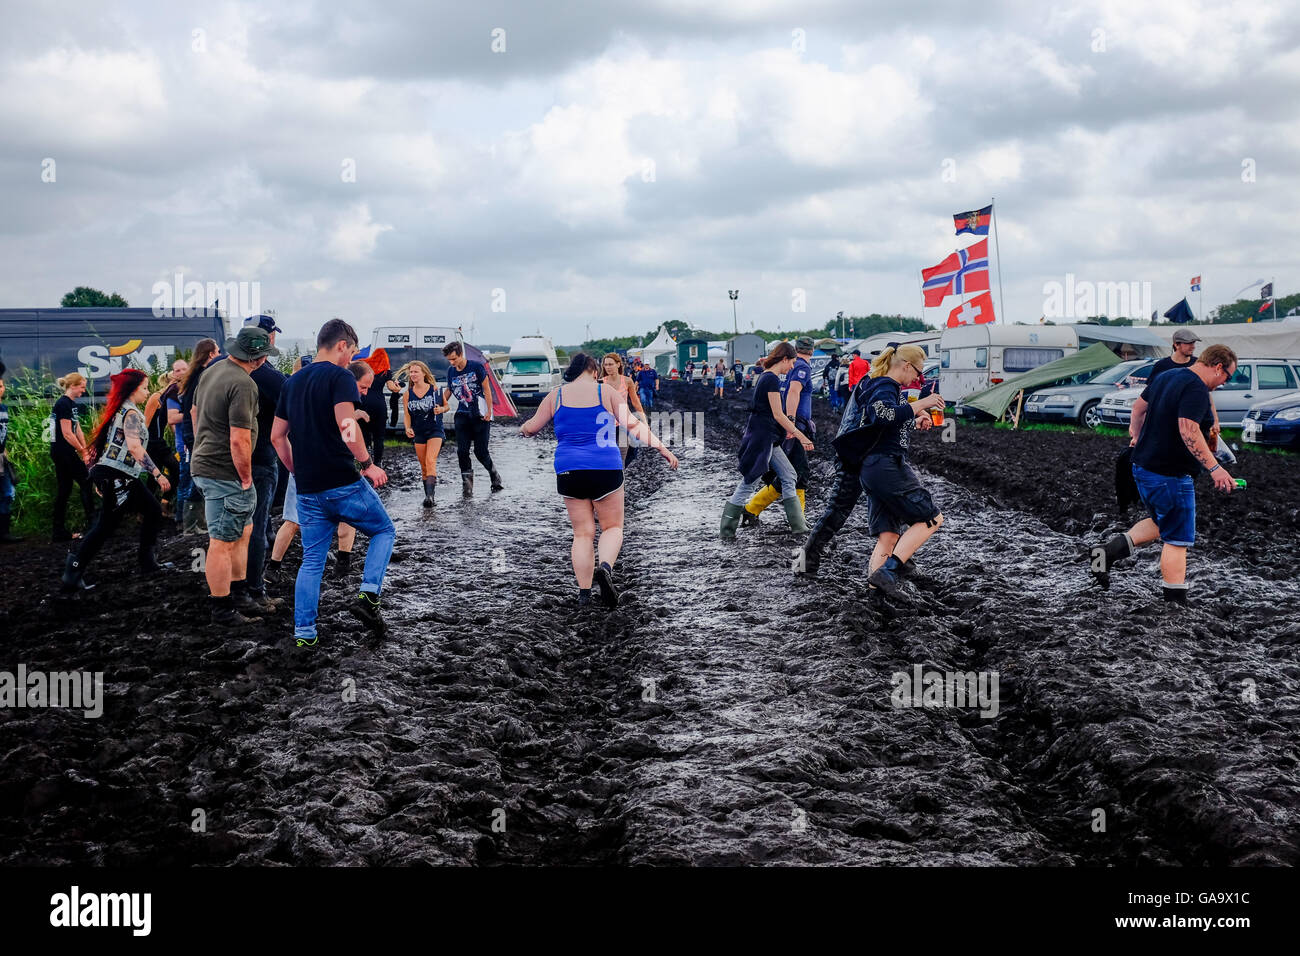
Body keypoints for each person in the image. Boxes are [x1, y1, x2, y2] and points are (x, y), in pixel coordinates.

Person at [272, 318, 394, 646]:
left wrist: (296, 469)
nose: (350, 359)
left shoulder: (292, 383)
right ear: (342, 345)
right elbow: (346, 424)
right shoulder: (340, 376)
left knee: (312, 561)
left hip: (308, 487)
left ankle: (305, 635)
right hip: (342, 480)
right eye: (351, 351)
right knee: (384, 531)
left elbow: (277, 436)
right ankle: (368, 596)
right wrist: (367, 463)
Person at [521, 352, 678, 606]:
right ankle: (604, 567)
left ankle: (583, 595)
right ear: (595, 371)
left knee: (582, 533)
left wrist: (523, 429)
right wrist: (662, 448)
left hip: (569, 469)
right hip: (605, 467)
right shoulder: (606, 393)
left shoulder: (556, 395)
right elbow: (634, 426)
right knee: (612, 527)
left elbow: (532, 427)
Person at [1091, 345, 1238, 603]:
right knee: (1177, 539)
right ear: (1218, 367)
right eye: (1228, 376)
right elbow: (1189, 430)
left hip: (1143, 467)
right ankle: (1175, 605)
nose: (1225, 382)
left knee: (1162, 522)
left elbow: (1137, 409)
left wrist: (1136, 437)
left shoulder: (1167, 376)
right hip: (1170, 474)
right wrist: (1215, 469)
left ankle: (1104, 553)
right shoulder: (1196, 388)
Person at [796, 344, 946, 592]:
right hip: (856, 454)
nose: (917, 379)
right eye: (918, 373)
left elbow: (890, 423)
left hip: (865, 454)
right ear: (901, 363)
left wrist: (914, 418)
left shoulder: (882, 383)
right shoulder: (876, 383)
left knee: (881, 518)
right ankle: (805, 562)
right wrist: (919, 407)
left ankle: (897, 564)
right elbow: (880, 419)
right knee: (838, 510)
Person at [191, 326, 280, 623]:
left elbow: (194, 413)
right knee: (221, 541)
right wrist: (244, 477)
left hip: (207, 464)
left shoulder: (212, 372)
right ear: (258, 357)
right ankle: (222, 608)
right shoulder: (243, 384)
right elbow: (239, 438)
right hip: (225, 471)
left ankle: (240, 594)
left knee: (243, 533)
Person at [59, 369, 172, 591]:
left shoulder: (121, 410)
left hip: (117, 474)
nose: (147, 392)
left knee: (149, 512)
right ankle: (73, 570)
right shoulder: (131, 413)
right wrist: (158, 474)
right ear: (132, 389)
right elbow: (134, 446)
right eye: (144, 387)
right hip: (117, 475)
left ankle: (147, 562)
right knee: (107, 525)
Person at [720, 342, 814, 538]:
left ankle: (798, 526)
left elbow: (776, 416)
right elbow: (778, 415)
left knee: (789, 475)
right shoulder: (770, 379)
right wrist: (801, 435)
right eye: (792, 363)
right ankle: (727, 531)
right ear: (785, 359)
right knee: (749, 482)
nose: (792, 368)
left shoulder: (769, 377)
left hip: (769, 438)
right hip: (762, 440)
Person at [743, 336, 818, 525]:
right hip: (794, 423)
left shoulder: (790, 365)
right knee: (799, 472)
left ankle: (752, 508)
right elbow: (793, 391)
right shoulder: (802, 367)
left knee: (789, 473)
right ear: (812, 351)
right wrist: (793, 425)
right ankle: (798, 520)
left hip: (785, 423)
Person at [241, 316, 287, 610]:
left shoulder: (221, 369)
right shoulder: (269, 376)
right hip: (260, 458)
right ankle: (254, 589)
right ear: (268, 339)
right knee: (257, 524)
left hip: (229, 460)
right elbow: (295, 409)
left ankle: (236, 587)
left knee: (239, 526)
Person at [442, 340, 503, 498]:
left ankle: (493, 473)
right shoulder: (451, 371)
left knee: (480, 452)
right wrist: (439, 403)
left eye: (454, 358)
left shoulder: (476, 367)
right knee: (462, 451)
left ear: (461, 354)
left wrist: (489, 411)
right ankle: (467, 486)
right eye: (449, 359)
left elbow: (487, 389)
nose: (452, 362)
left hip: (479, 414)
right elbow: (449, 390)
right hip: (462, 415)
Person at [177, 338, 221, 533]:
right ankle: (192, 524)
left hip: (192, 431)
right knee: (200, 476)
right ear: (210, 354)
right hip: (197, 432)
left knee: (199, 476)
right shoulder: (204, 376)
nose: (220, 355)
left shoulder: (194, 376)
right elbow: (195, 410)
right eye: (217, 352)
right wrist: (198, 438)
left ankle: (198, 523)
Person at [48, 372, 97, 541]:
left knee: (65, 489)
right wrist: (82, 451)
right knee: (85, 480)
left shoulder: (71, 404)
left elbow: (77, 429)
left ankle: (58, 530)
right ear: (73, 386)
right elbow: (67, 434)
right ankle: (93, 524)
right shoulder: (63, 404)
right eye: (82, 387)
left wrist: (86, 448)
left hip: (65, 451)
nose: (83, 391)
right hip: (63, 451)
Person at [399, 360, 449, 507]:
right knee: (423, 465)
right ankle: (427, 494)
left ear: (424, 373)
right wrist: (407, 428)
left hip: (435, 430)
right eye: (411, 372)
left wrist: (441, 410)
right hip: (419, 432)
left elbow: (446, 406)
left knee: (430, 460)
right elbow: (407, 415)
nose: (413, 374)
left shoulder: (434, 389)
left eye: (416, 371)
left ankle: (430, 497)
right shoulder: (407, 394)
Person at [144, 360, 187, 519]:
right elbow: (145, 423)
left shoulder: (171, 400)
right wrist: (140, 445)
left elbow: (171, 422)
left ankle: (164, 504)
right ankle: (145, 511)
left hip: (160, 443)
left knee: (176, 470)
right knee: (152, 477)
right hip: (150, 442)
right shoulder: (156, 397)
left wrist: (180, 439)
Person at [600, 353, 646, 467]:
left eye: (611, 364)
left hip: (623, 423)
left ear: (618, 364)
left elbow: (636, 403)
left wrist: (644, 421)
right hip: (607, 424)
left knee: (632, 449)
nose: (608, 367)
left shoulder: (627, 381)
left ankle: (619, 474)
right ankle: (614, 476)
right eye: (606, 365)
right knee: (611, 455)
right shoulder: (601, 383)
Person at [359, 347, 399, 466]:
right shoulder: (386, 372)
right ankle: (378, 462)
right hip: (379, 406)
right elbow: (392, 388)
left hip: (363, 404)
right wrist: (398, 387)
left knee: (364, 434)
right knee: (379, 437)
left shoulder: (363, 368)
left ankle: (366, 462)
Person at [0, 365, 18, 544]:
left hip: (1, 457)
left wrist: (6, 456)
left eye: (2, 386)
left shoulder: (4, 408)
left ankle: (4, 532)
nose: (1, 389)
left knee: (8, 493)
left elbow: (3, 434)